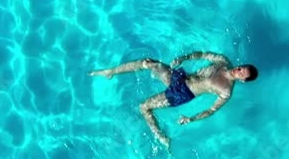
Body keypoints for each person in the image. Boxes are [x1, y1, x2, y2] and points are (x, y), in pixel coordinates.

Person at [90, 52, 258, 148]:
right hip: (180, 78)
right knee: (149, 62)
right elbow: (202, 54)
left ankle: (161, 137)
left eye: (243, 74)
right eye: (243, 67)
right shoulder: (223, 61)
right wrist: (184, 58)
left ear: (243, 80)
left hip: (182, 93)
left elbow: (211, 110)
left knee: (144, 107)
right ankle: (110, 72)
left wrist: (191, 119)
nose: (240, 70)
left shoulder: (226, 91)